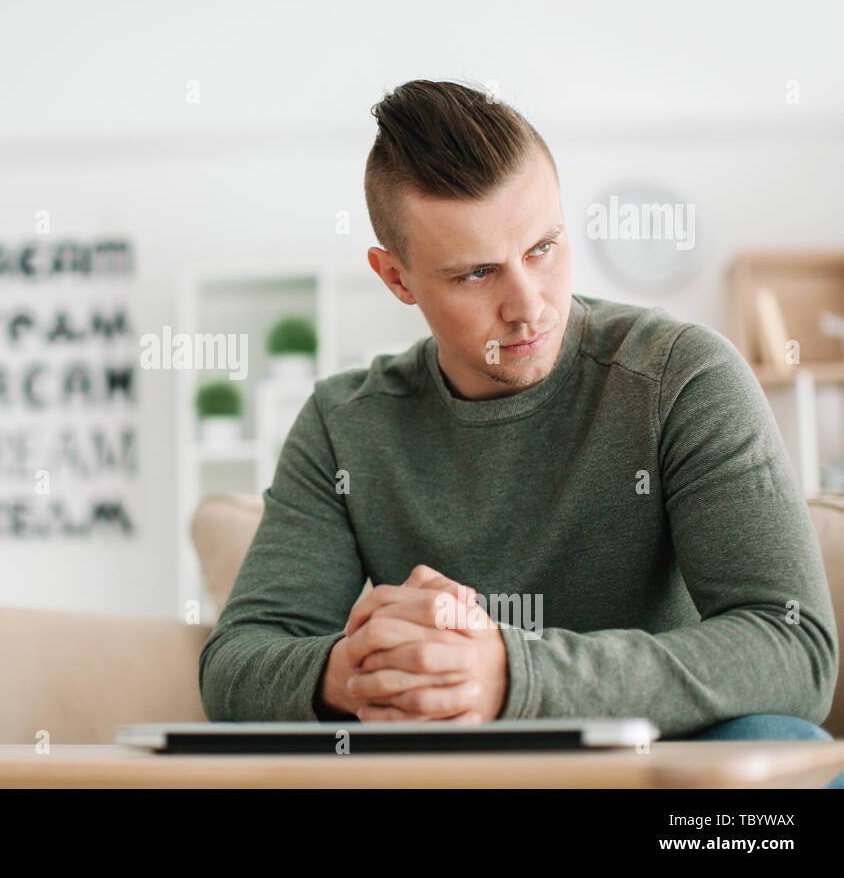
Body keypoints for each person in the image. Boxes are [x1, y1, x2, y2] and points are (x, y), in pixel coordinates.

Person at [198, 80, 842, 786]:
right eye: (476, 273)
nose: (529, 306)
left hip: (653, 771)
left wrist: (511, 674)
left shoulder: (680, 377)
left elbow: (794, 646)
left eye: (542, 248)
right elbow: (238, 659)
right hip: (450, 778)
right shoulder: (344, 424)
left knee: (773, 740)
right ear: (396, 278)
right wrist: (347, 674)